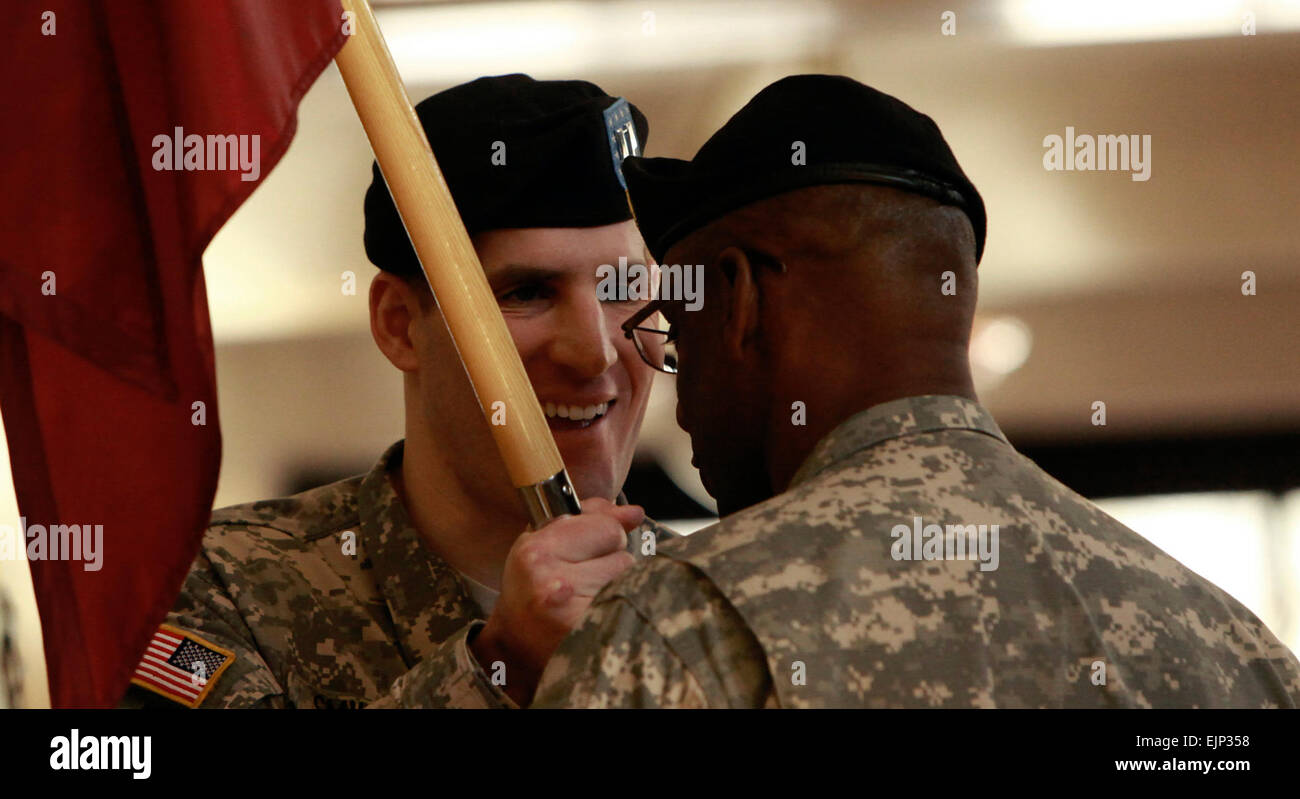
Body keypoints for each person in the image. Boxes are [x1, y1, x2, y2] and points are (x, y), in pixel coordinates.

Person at [532, 74, 1300, 708]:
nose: (685, 403)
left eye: (684, 337)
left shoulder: (681, 628)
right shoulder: (1241, 653)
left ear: (740, 301)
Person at [120, 74, 672, 708]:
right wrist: (501, 669)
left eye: (621, 288)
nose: (596, 350)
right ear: (399, 325)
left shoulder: (728, 593)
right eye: (526, 293)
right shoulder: (211, 589)